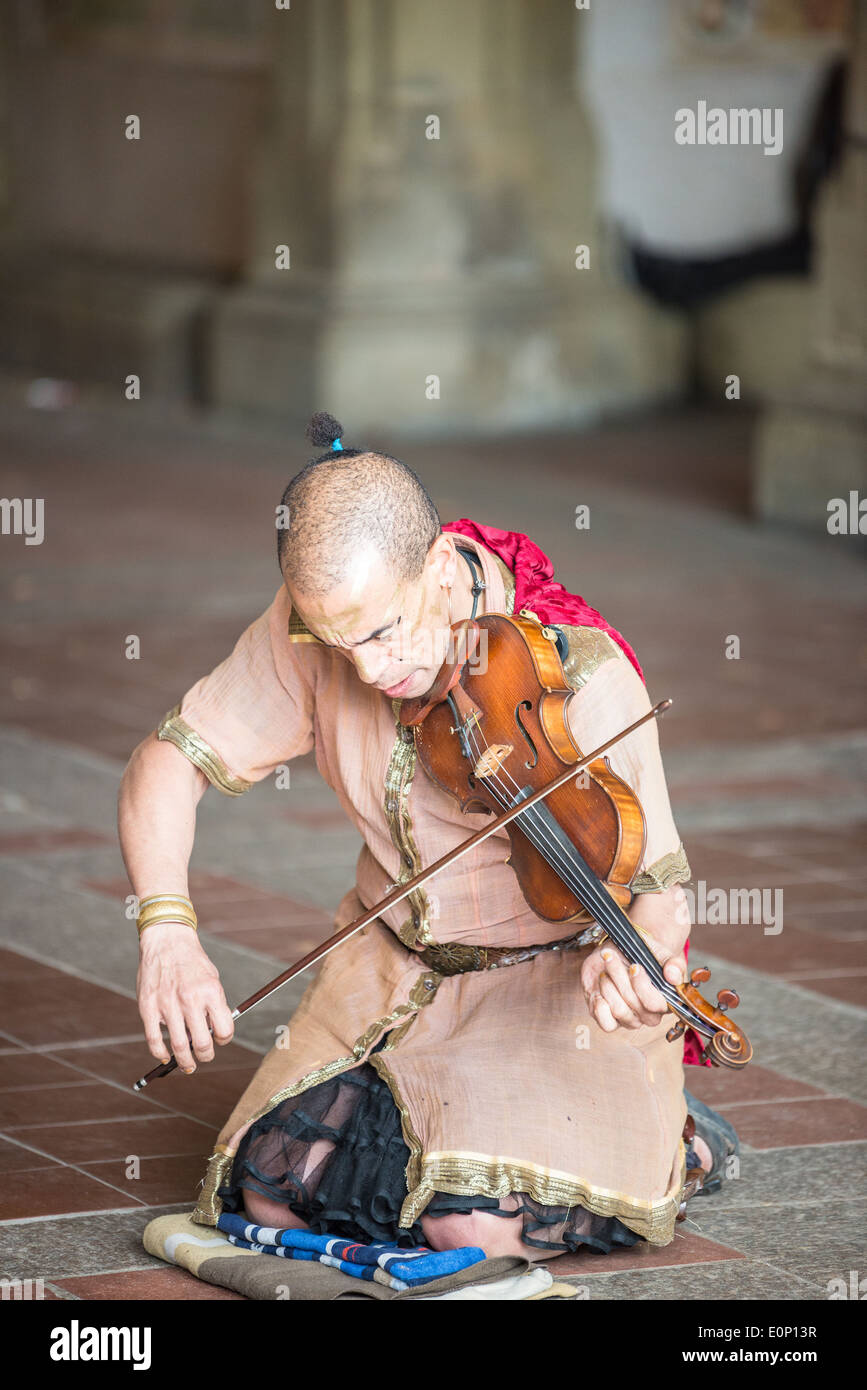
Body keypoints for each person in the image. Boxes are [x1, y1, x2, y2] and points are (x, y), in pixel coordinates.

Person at [119, 412, 738, 1262]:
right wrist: (167, 933)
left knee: (469, 1230)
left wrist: (626, 958)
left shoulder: (576, 671)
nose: (368, 670)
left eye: (381, 632)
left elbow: (660, 895)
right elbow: (165, 763)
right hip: (391, 969)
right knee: (272, 1193)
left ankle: (678, 1138)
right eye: (338, 644)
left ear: (440, 566)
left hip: (542, 986)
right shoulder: (318, 624)